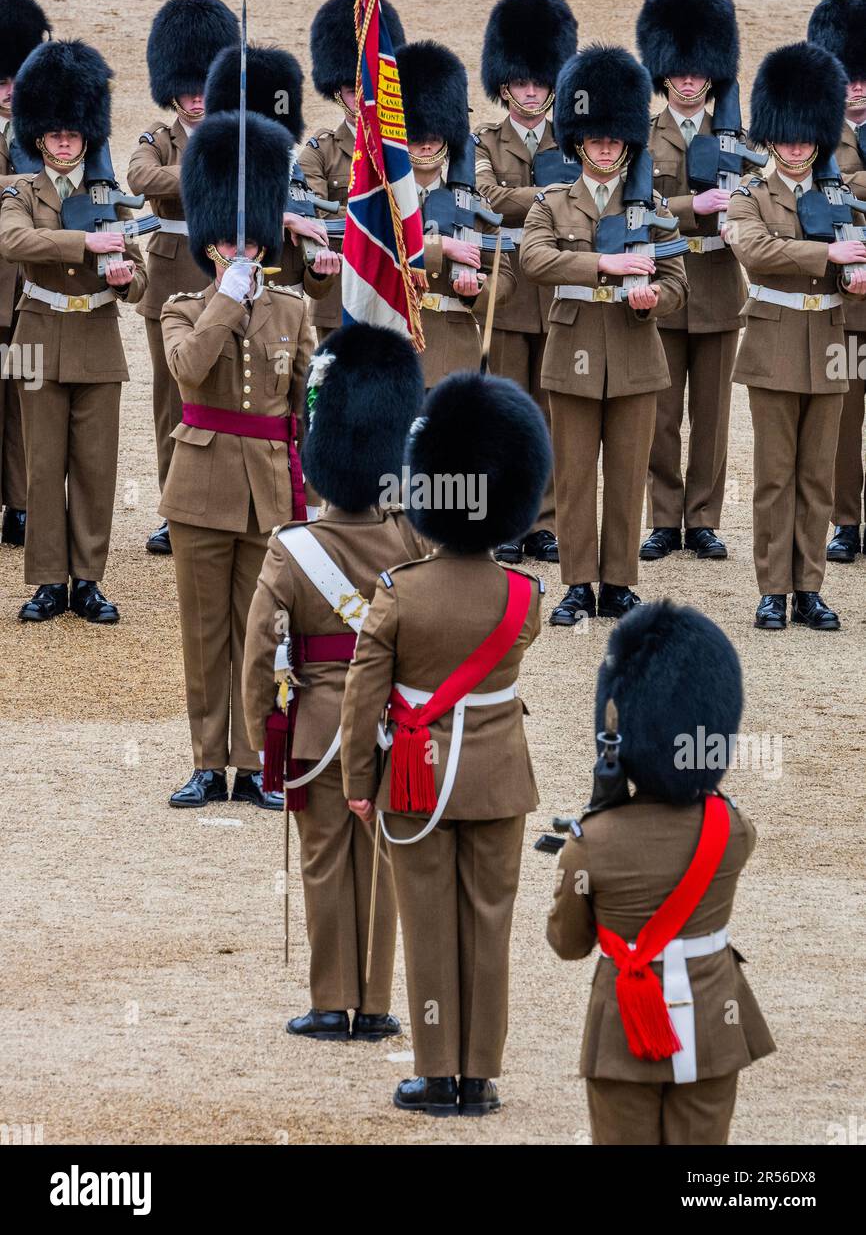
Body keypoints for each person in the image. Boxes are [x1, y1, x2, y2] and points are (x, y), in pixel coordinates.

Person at [342, 371, 549, 1117]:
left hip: (415, 780)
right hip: (497, 781)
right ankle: (481, 1077)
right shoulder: (524, 599)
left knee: (428, 922)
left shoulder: (399, 589)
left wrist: (358, 782)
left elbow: (366, 696)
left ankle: (435, 1074)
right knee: (489, 924)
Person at [242, 322, 428, 1042]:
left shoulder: (292, 550)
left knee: (323, 864)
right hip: (389, 722)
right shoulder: (409, 539)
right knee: (380, 861)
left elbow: (261, 651)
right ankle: (376, 1004)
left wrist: (267, 731)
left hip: (318, 724)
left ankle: (331, 1002)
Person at [546, 601, 775, 1145]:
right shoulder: (733, 831)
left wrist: (600, 808)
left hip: (622, 1035)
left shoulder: (590, 845)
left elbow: (568, 943)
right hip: (714, 1023)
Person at [162, 109, 315, 810]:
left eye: (250, 242)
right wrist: (225, 300)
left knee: (261, 634)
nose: (241, 252)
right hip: (199, 487)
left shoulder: (293, 308)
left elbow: (303, 402)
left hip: (268, 488)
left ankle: (255, 762)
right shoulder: (183, 308)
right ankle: (205, 760)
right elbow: (190, 372)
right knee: (203, 634)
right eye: (228, 244)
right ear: (210, 247)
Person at [520, 45, 688, 625]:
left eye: (614, 139)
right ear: (577, 142)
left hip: (636, 352)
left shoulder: (653, 205)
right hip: (572, 351)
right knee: (572, 474)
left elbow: (676, 283)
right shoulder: (551, 201)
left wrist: (651, 301)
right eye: (596, 139)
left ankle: (617, 582)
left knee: (624, 475)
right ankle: (576, 582)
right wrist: (604, 266)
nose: (606, 147)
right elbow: (533, 260)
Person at [0, 39, 147, 623]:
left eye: (73, 133)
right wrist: (83, 243)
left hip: (97, 340)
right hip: (34, 338)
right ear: (39, 138)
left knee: (94, 468)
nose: (63, 142)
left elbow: (140, 279)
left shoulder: (109, 196)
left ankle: (87, 580)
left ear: (88, 136)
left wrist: (122, 274)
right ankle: (45, 584)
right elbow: (13, 241)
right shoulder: (18, 190)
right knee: (40, 465)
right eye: (54, 133)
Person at [726, 42, 866, 630]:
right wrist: (829, 252)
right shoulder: (749, 194)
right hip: (775, 338)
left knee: (817, 473)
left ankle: (809, 586)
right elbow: (753, 249)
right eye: (787, 137)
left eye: (806, 137)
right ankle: (771, 587)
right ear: (773, 136)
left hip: (831, 340)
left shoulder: (840, 198)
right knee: (775, 474)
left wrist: (856, 270)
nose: (797, 147)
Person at [127, 0, 239, 557]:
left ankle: (220, 503)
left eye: (204, 88)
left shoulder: (239, 131)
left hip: (229, 283)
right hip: (170, 280)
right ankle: (174, 509)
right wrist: (207, 167)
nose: (196, 100)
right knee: (173, 400)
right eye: (187, 90)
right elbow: (142, 177)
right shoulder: (159, 137)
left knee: (226, 395)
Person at [636, 0, 743, 562]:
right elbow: (634, 206)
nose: (687, 81)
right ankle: (663, 516)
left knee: (714, 417)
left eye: (697, 72)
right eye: (678, 72)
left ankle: (702, 517)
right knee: (662, 411)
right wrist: (688, 207)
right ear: (664, 74)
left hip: (721, 284)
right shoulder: (642, 139)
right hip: (666, 281)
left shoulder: (737, 138)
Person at [475, 0, 578, 564]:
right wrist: (557, 195)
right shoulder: (485, 140)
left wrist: (537, 197)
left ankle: (545, 519)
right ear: (504, 85)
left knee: (554, 411)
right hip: (509, 287)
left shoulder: (576, 140)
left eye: (540, 82)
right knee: (509, 411)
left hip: (560, 286)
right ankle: (508, 518)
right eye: (520, 83)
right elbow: (489, 197)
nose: (531, 93)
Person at [396, 39, 514, 388]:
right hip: (396, 348)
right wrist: (440, 248)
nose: (428, 144)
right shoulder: (381, 204)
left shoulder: (472, 202)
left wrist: (478, 289)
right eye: (417, 136)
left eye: (434, 134)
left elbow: (504, 276)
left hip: (457, 353)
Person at [300, 0, 406, 343]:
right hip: (338, 288)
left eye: (369, 85)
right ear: (336, 92)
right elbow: (314, 216)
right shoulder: (320, 151)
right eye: (351, 89)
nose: (361, 97)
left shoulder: (401, 150)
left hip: (393, 287)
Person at [203, 42, 340, 298]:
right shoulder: (214, 166)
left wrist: (320, 272)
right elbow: (214, 226)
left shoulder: (292, 166)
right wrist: (283, 220)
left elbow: (314, 288)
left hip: (286, 311)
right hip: (232, 298)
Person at [807, 0, 866, 562]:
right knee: (844, 425)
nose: (856, 84)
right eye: (848, 71)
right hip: (845, 298)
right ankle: (847, 522)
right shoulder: (815, 130)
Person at [0, 0, 50, 548]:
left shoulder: (41, 131)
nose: (11, 93)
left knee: (22, 398)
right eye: (3, 83)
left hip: (30, 286)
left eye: (17, 81)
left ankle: (19, 503)